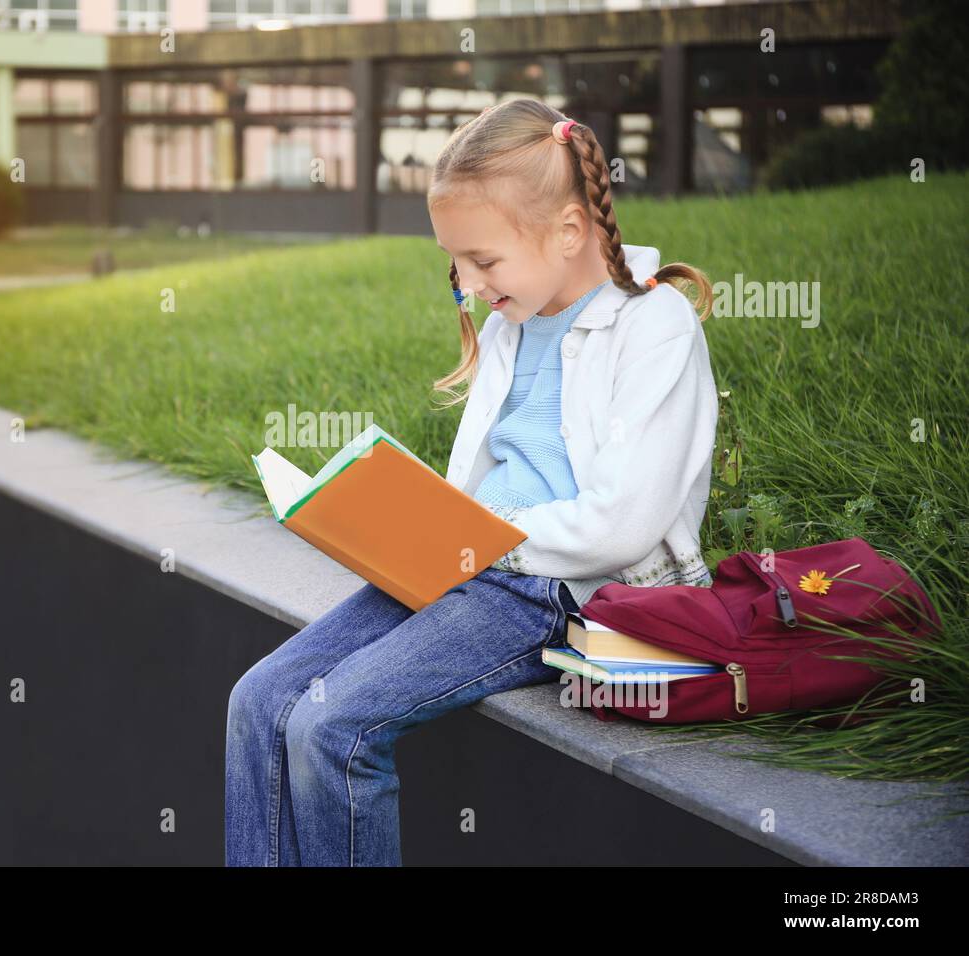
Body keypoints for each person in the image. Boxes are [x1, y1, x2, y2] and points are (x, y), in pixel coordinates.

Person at [225, 98, 719, 866]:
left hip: (562, 588)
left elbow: (622, 523)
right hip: (471, 565)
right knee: (258, 700)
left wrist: (486, 543)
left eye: (483, 260)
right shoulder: (512, 320)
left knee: (334, 728)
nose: (466, 280)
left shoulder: (654, 326)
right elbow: (483, 477)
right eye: (455, 260)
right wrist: (417, 529)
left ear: (567, 231)